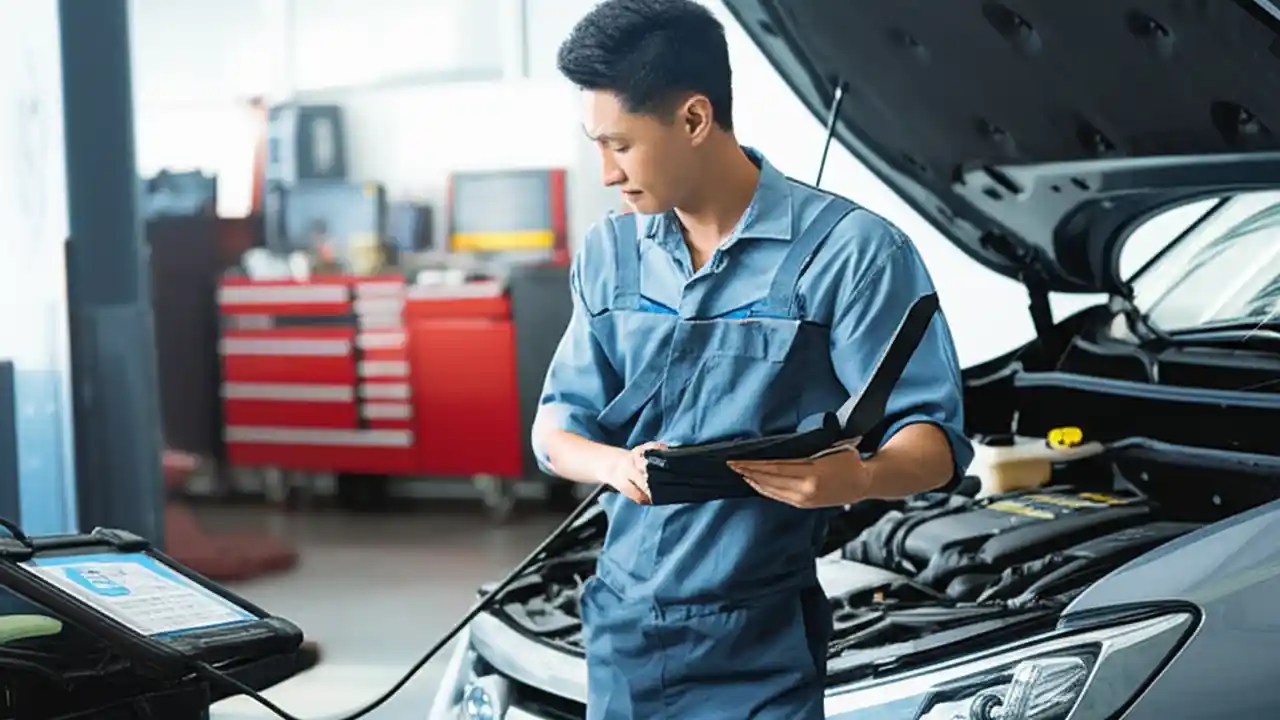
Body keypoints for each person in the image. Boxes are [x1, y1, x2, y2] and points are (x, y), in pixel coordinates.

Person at [532, 1, 973, 717]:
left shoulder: (852, 256)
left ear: (695, 120)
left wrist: (858, 476)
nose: (606, 173)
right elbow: (554, 432)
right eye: (597, 144)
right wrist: (615, 465)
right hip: (622, 632)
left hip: (760, 645)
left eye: (620, 144)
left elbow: (937, 444)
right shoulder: (608, 255)